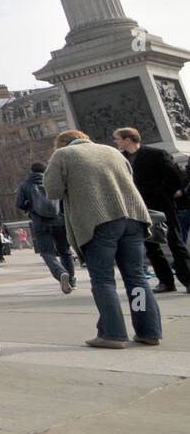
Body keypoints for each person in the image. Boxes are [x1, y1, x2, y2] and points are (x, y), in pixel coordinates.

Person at [45, 129, 161, 348]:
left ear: (62, 144)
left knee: (104, 280)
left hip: (98, 221)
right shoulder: (113, 151)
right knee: (136, 277)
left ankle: (113, 334)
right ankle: (149, 330)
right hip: (133, 217)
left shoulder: (62, 155)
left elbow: (53, 191)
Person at [114, 127, 190, 293]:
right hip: (139, 208)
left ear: (128, 139)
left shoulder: (156, 154)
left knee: (175, 242)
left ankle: (188, 280)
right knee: (152, 246)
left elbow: (175, 177)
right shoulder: (120, 159)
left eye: (118, 139)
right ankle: (166, 282)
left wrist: (163, 194)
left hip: (162, 206)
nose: (116, 142)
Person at [16, 162, 75, 293]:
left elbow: (19, 204)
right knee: (65, 251)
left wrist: (30, 207)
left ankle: (60, 274)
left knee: (47, 253)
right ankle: (71, 280)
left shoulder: (25, 185)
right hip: (60, 221)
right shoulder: (53, 181)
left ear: (31, 171)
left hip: (41, 223)